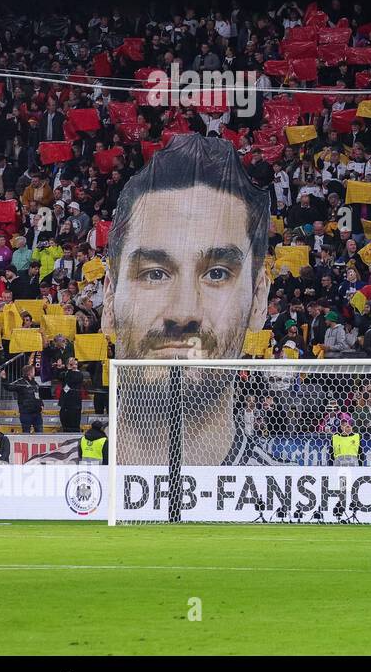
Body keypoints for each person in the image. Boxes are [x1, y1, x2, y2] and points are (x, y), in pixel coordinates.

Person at [101, 135, 272, 467]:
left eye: (217, 274)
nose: (183, 313)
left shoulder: (288, 509)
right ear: (109, 297)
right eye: (154, 273)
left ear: (258, 300)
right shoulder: (42, 489)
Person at [11, 364, 42, 433]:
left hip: (37, 412)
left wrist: (41, 404)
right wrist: (4, 378)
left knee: (40, 432)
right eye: (33, 370)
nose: (35, 372)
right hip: (26, 413)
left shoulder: (35, 383)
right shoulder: (20, 382)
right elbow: (9, 387)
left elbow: (38, 395)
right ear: (29, 372)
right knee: (26, 432)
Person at [58, 357, 85, 435]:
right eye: (71, 363)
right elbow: (60, 377)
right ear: (67, 365)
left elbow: (71, 379)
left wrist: (70, 369)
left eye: (75, 364)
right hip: (64, 403)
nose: (73, 365)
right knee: (64, 424)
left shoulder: (79, 374)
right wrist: (60, 368)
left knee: (73, 425)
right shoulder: (65, 373)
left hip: (74, 404)